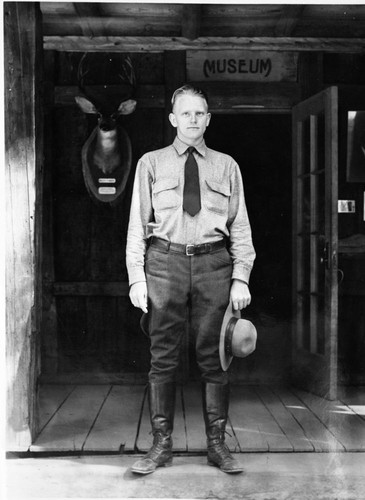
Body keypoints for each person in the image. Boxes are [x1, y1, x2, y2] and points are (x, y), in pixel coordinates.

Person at [126, 84, 255, 475]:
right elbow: (136, 226)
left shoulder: (227, 165)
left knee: (215, 358)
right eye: (186, 114)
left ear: (208, 119)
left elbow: (241, 228)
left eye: (200, 113)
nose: (193, 120)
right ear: (172, 119)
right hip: (164, 264)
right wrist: (136, 278)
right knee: (162, 357)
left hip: (214, 266)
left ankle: (217, 445)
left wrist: (241, 277)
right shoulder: (151, 163)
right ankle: (160, 445)